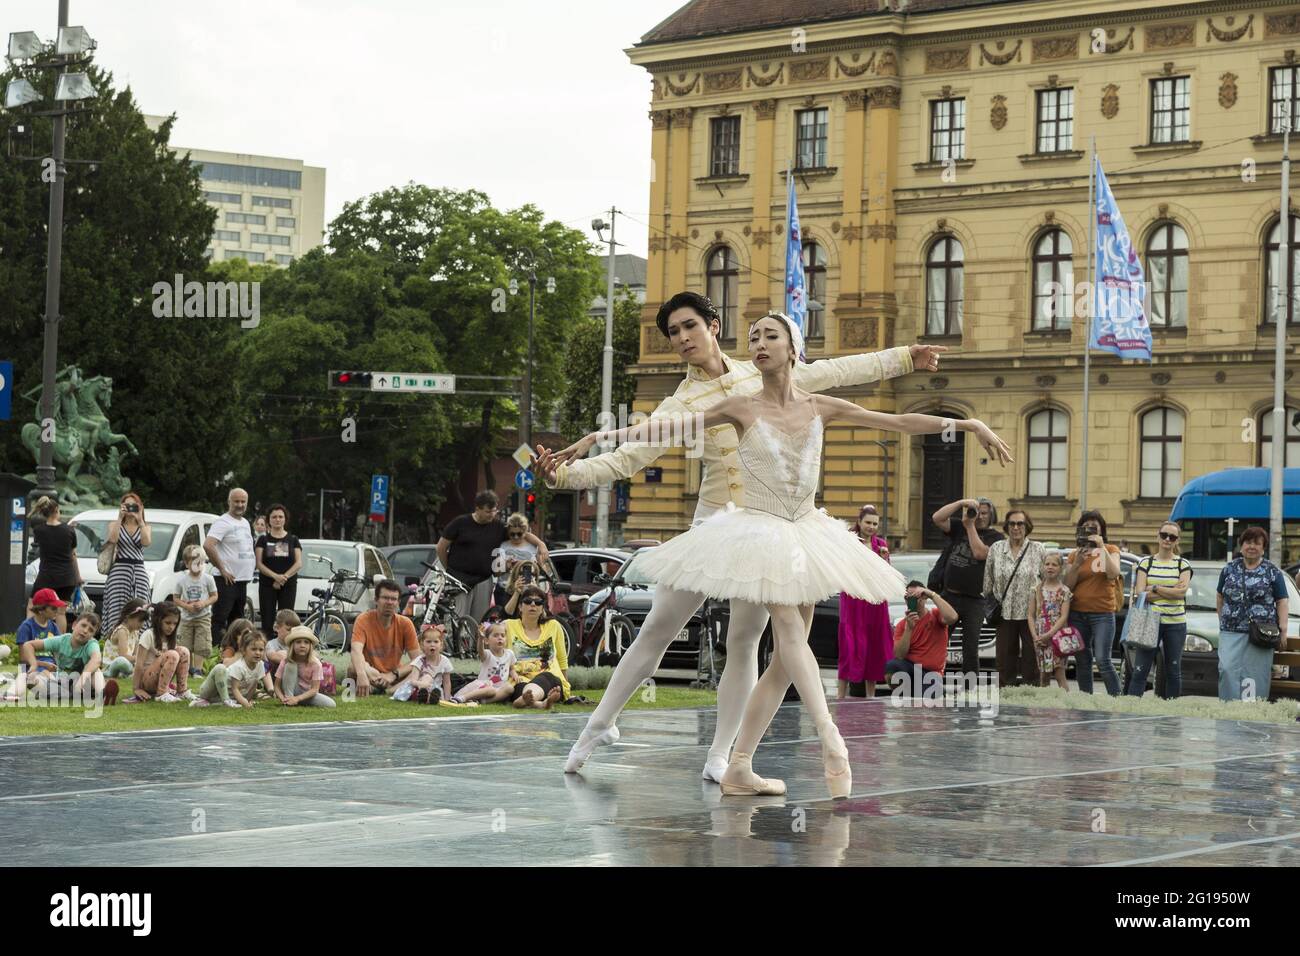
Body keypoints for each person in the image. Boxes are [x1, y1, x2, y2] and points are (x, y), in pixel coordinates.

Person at [560, 313, 1011, 798]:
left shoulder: (820, 404)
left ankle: (739, 764)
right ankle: (830, 739)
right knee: (788, 635)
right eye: (753, 337)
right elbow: (666, 428)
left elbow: (898, 420)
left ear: (793, 348)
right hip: (757, 533)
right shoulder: (738, 405)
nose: (759, 343)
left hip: (807, 531)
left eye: (770, 336)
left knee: (779, 659)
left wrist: (967, 422)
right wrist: (599, 438)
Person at [437, 492, 549, 623]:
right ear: (477, 509)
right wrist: (449, 570)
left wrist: (540, 544)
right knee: (456, 619)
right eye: (488, 511)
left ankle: (476, 643)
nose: (492, 514)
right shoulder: (460, 523)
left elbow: (522, 533)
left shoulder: (497, 526)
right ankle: (454, 643)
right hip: (458, 579)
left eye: (494, 511)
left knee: (480, 622)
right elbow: (441, 548)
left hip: (483, 580)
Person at [932, 496, 1003, 677]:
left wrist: (970, 526)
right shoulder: (959, 527)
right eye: (977, 512)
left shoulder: (997, 538)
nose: (979, 516)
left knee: (970, 647)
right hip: (949, 597)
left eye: (984, 513)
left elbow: (980, 553)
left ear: (991, 516)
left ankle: (970, 690)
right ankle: (931, 682)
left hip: (976, 601)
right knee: (937, 641)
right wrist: (961, 503)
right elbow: (937, 518)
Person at [1216, 526, 1288, 702]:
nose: (1252, 546)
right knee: (1226, 669)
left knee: (1255, 674)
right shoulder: (1229, 569)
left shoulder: (1272, 571)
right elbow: (1219, 595)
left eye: (1257, 543)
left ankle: (1253, 712)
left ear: (1263, 548)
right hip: (1230, 631)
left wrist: (1283, 630)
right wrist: (1223, 619)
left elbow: (1282, 601)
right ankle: (1229, 709)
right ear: (1241, 546)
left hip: (1261, 633)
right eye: (1248, 542)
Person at [1127, 521, 1193, 699]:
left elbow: (1181, 593)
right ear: (1158, 536)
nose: (1167, 539)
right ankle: (1131, 708)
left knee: (1173, 669)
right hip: (1149, 620)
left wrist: (1154, 587)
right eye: (1164, 535)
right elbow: (1141, 593)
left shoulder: (1183, 564)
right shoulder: (1145, 563)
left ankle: (1171, 710)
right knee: (1141, 669)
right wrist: (1169, 590)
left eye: (1172, 537)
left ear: (1177, 541)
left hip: (1176, 623)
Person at [983, 509, 1045, 687]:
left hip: (1031, 615)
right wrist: (990, 604)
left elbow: (1046, 580)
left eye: (1020, 524)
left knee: (1031, 660)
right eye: (1012, 524)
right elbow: (987, 583)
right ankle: (1005, 698)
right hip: (1004, 613)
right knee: (1004, 661)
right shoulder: (996, 548)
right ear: (1006, 526)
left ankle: (1030, 697)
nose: (1016, 527)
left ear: (1027, 527)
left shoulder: (1037, 549)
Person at [1064, 510, 1123, 695]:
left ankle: (1117, 699)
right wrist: (1076, 564)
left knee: (1102, 659)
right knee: (1082, 659)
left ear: (1101, 530)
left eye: (1094, 528)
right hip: (1077, 613)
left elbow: (1113, 573)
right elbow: (1067, 585)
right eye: (1086, 527)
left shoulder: (1111, 550)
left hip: (1102, 613)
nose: (1090, 531)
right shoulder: (1075, 554)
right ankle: (1085, 700)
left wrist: (1100, 546)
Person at [837, 504, 893, 699]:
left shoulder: (881, 545)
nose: (871, 527)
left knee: (874, 645)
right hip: (854, 600)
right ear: (859, 522)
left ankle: (871, 695)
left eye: (875, 524)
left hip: (875, 601)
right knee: (850, 645)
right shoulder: (849, 542)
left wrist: (884, 560)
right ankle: (840, 695)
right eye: (868, 522)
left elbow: (887, 575)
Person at [349, 579, 420, 697]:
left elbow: (417, 660)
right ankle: (371, 687)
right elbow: (356, 651)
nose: (389, 602)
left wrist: (393, 675)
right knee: (352, 668)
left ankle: (390, 691)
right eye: (385, 598)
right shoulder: (363, 620)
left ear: (398, 602)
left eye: (393, 599)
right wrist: (362, 673)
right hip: (371, 674)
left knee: (420, 670)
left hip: (394, 676)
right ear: (376, 600)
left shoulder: (405, 623)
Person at [503, 584, 572, 703]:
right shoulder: (508, 626)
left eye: (538, 602)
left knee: (546, 677)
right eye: (528, 601)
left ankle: (528, 699)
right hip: (520, 679)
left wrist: (566, 686)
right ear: (520, 607)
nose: (533, 605)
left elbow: (562, 660)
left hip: (550, 679)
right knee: (519, 686)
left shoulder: (553, 626)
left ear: (542, 608)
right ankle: (537, 702)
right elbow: (495, 649)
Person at [884, 582, 958, 691]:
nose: (913, 601)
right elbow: (899, 655)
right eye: (909, 597)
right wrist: (909, 629)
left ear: (924, 598)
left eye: (917, 596)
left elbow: (952, 617)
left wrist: (932, 594)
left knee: (928, 700)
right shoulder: (902, 624)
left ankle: (926, 691)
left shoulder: (935, 615)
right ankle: (903, 694)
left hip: (932, 673)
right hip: (910, 669)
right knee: (892, 666)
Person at [18, 611, 104, 702]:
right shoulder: (62, 640)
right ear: (74, 625)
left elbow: (96, 659)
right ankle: (65, 694)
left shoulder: (91, 644)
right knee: (34, 678)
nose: (86, 631)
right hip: (63, 681)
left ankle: (103, 694)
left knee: (96, 671)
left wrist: (81, 681)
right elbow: (28, 645)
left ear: (92, 636)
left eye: (91, 630)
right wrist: (34, 664)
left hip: (84, 683)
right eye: (83, 625)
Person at [100, 492, 153, 637]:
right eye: (127, 505)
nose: (130, 508)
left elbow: (146, 542)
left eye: (133, 505)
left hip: (139, 572)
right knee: (117, 609)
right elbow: (112, 539)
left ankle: (140, 642)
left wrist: (140, 519)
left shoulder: (146, 526)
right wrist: (119, 518)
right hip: (119, 571)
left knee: (140, 608)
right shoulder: (114, 524)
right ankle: (113, 641)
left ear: (140, 507)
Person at [204, 488, 256, 634]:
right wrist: (222, 569)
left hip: (242, 580)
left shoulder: (245, 522)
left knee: (237, 621)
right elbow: (208, 545)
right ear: (229, 502)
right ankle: (215, 653)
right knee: (220, 619)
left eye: (243, 502)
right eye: (236, 501)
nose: (240, 505)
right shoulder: (223, 522)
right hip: (226, 580)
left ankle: (233, 653)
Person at [30, 495, 82, 633]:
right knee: (60, 613)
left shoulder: (39, 530)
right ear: (57, 510)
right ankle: (59, 645)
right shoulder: (69, 530)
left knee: (33, 606)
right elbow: (73, 555)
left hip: (46, 577)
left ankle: (31, 638)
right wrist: (78, 577)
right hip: (67, 578)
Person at [128, 601, 194, 703]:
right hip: (146, 681)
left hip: (162, 680)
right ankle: (162, 694)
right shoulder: (148, 635)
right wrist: (136, 688)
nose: (171, 627)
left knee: (184, 651)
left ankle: (182, 691)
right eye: (168, 623)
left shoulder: (171, 638)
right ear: (158, 620)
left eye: (175, 623)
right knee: (172, 654)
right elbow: (139, 664)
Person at [254, 504, 302, 639]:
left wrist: (283, 578)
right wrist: (275, 577)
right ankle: (266, 653)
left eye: (280, 517)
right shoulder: (263, 540)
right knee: (267, 620)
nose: (277, 519)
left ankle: (286, 651)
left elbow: (298, 563)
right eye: (274, 517)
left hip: (288, 584)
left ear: (285, 519)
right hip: (267, 585)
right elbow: (259, 563)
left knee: (287, 621)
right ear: (269, 520)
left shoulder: (293, 539)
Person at [191, 628, 272, 708]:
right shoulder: (239, 666)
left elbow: (253, 686)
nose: (258, 653)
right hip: (211, 691)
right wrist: (244, 702)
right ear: (243, 650)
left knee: (223, 703)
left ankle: (215, 702)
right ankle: (206, 699)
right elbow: (235, 689)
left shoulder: (260, 665)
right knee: (220, 668)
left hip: (227, 697)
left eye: (261, 650)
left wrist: (247, 701)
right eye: (254, 649)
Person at [1029, 552, 1073, 690]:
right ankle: (1044, 707)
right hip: (1040, 638)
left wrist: (1049, 635)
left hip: (1057, 638)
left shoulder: (1064, 591)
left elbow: (1063, 616)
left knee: (1060, 673)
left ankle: (1066, 705)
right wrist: (1036, 637)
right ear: (1042, 567)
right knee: (1044, 675)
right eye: (1047, 564)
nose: (1050, 567)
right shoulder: (1036, 590)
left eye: (1054, 564)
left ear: (1060, 568)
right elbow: (1030, 615)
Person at [173, 544, 218, 677]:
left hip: (203, 617)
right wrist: (186, 606)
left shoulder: (208, 579)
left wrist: (204, 603)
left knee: (201, 643)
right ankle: (187, 669)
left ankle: (197, 670)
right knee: (185, 643)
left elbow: (214, 596)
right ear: (187, 564)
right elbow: (175, 598)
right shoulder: (181, 580)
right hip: (186, 618)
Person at [452, 620, 520, 705]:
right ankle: (462, 698)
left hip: (499, 687)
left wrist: (514, 674)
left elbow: (511, 668)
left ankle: (484, 702)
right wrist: (480, 639)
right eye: (496, 635)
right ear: (487, 641)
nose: (500, 638)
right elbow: (480, 651)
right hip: (483, 686)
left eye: (503, 635)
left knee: (510, 688)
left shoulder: (509, 654)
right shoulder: (488, 654)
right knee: (490, 690)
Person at [491, 512, 547, 611]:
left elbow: (542, 570)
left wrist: (536, 567)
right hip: (505, 591)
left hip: (528, 592)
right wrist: (507, 566)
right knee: (506, 621)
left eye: (519, 534)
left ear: (525, 532)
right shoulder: (502, 546)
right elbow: (496, 573)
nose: (516, 537)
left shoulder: (533, 547)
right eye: (512, 534)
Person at [391, 625, 456, 704]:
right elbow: (413, 681)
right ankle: (424, 697)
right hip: (419, 687)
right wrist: (422, 684)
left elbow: (446, 682)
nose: (432, 644)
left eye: (436, 642)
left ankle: (431, 698)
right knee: (427, 677)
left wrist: (447, 698)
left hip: (435, 689)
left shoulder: (445, 662)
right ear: (422, 644)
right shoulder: (419, 661)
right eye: (428, 642)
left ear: (441, 645)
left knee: (434, 688)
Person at [273, 625, 335, 708]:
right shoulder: (285, 661)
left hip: (306, 694)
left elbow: (314, 689)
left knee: (331, 704)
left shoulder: (316, 664)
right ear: (292, 645)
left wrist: (298, 699)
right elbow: (277, 685)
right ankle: (288, 701)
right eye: (298, 642)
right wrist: (282, 698)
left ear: (310, 646)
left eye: (306, 642)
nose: (302, 645)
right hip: (290, 690)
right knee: (291, 665)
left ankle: (297, 701)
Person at [17, 589, 64, 674]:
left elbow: (59, 652)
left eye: (57, 607)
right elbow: (23, 659)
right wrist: (43, 664)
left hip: (51, 666)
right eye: (53, 608)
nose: (57, 611)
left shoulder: (54, 627)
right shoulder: (26, 627)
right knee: (46, 675)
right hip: (32, 667)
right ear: (40, 610)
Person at [103, 598, 148, 678]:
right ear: (128, 617)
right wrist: (139, 658)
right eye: (140, 621)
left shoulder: (135, 632)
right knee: (122, 662)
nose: (142, 624)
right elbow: (123, 656)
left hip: (127, 665)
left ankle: (128, 674)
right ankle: (110, 673)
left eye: (144, 621)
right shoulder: (122, 631)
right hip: (112, 665)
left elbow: (136, 654)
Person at [264, 609, 301, 676]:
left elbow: (313, 654)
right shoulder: (271, 644)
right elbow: (273, 656)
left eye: (295, 630)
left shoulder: (296, 644)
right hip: (275, 679)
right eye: (288, 629)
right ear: (277, 628)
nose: (292, 633)